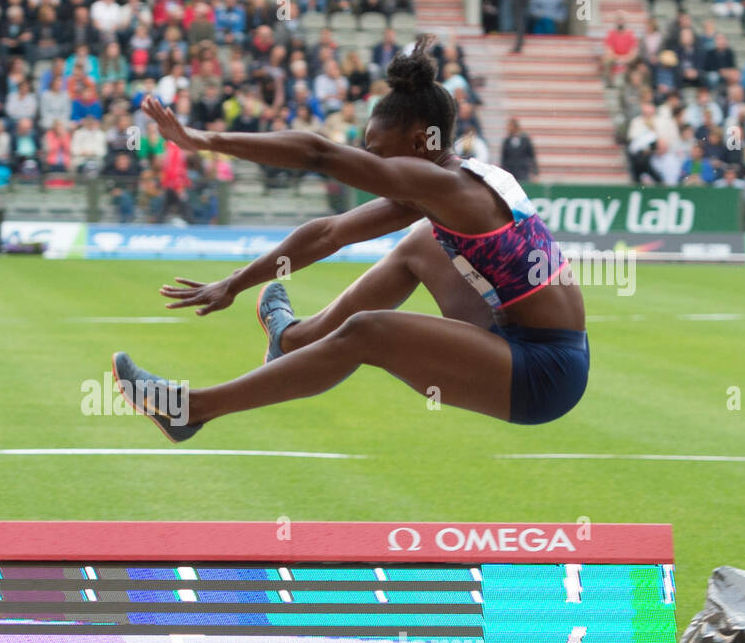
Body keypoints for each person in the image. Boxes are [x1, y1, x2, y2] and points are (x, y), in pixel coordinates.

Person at [111, 37, 588, 441]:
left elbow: (319, 153)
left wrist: (207, 141)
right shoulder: (438, 190)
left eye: (378, 154)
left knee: (370, 331)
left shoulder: (454, 189)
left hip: (544, 373)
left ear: (422, 140)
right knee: (420, 245)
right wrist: (236, 283)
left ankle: (192, 409)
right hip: (513, 336)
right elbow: (328, 234)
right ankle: (293, 339)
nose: (370, 164)